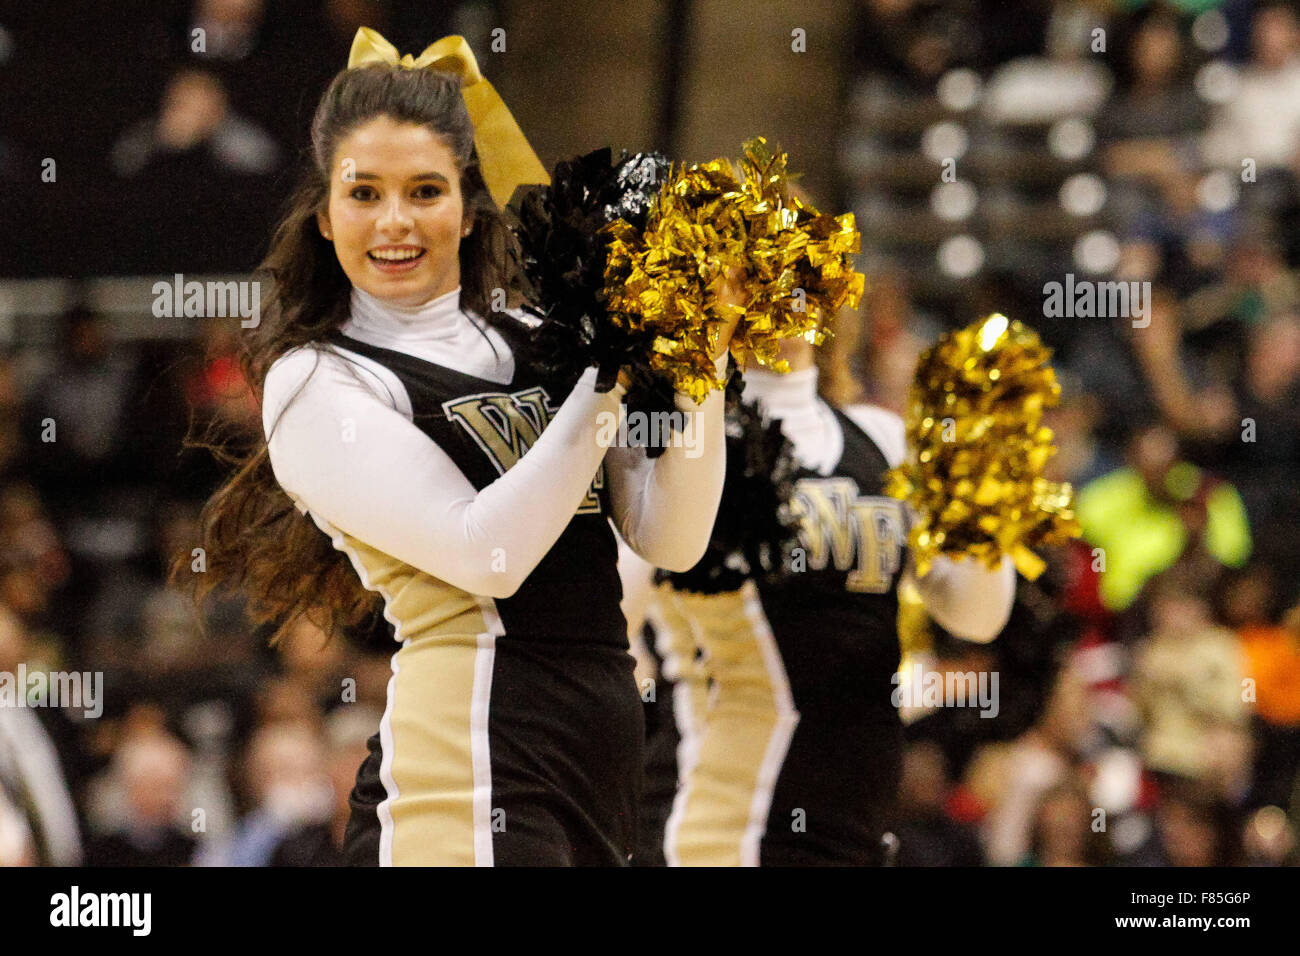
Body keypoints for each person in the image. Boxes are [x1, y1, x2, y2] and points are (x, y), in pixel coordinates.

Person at [186, 28, 736, 865]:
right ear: (325, 215)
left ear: (469, 204)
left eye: (425, 190)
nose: (395, 221)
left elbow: (672, 536)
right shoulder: (320, 381)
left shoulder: (539, 336)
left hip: (601, 757)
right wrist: (611, 367)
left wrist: (705, 353)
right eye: (363, 193)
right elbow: (491, 554)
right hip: (472, 761)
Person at [647, 302, 1018, 866]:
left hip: (854, 823)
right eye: (761, 257)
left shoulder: (884, 439)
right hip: (723, 822)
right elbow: (618, 623)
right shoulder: (691, 436)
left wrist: (978, 470)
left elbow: (976, 613)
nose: (787, 279)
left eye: (804, 254)